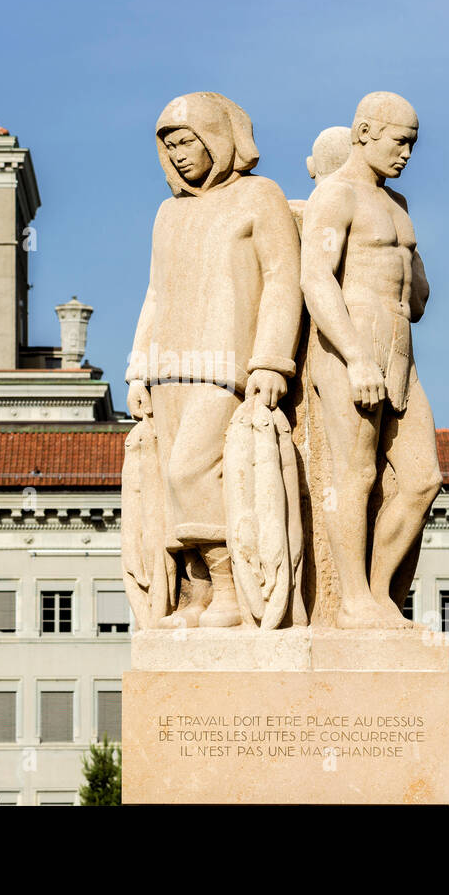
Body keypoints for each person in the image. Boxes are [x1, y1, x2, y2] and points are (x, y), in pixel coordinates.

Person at [126, 92, 302, 628]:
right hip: (167, 367)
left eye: (187, 142)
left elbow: (281, 279)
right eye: (170, 146)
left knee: (193, 472)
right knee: (167, 484)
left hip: (226, 363)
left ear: (217, 140)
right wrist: (138, 365)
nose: (179, 155)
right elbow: (155, 292)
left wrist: (272, 360)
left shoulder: (259, 196)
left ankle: (230, 590)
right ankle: (196, 593)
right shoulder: (168, 212)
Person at [299, 92, 441, 629]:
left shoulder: (398, 205)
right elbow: (316, 277)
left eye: (412, 144)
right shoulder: (334, 195)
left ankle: (379, 595)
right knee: (354, 474)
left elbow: (419, 296)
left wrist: (408, 276)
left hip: (400, 346)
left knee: (423, 479)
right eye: (399, 141)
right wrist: (356, 357)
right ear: (364, 133)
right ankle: (353, 600)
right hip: (349, 342)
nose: (406, 154)